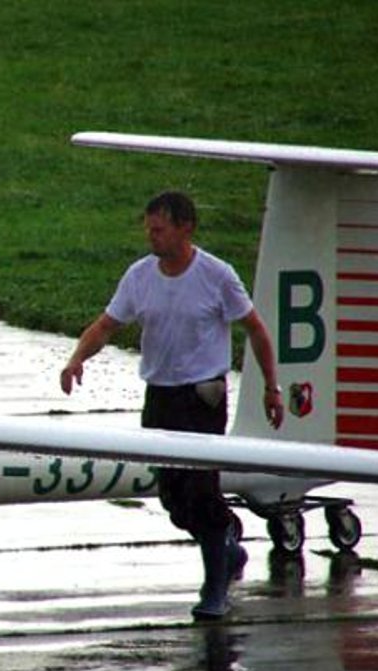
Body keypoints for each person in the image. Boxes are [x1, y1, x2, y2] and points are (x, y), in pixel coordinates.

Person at [59, 191, 285, 620]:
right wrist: (76, 360)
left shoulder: (217, 275)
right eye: (148, 227)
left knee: (201, 492)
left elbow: (255, 329)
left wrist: (271, 388)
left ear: (185, 228)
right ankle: (226, 546)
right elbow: (106, 325)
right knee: (174, 501)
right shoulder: (140, 276)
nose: (151, 235)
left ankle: (214, 586)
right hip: (160, 397)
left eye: (158, 228)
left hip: (202, 398)